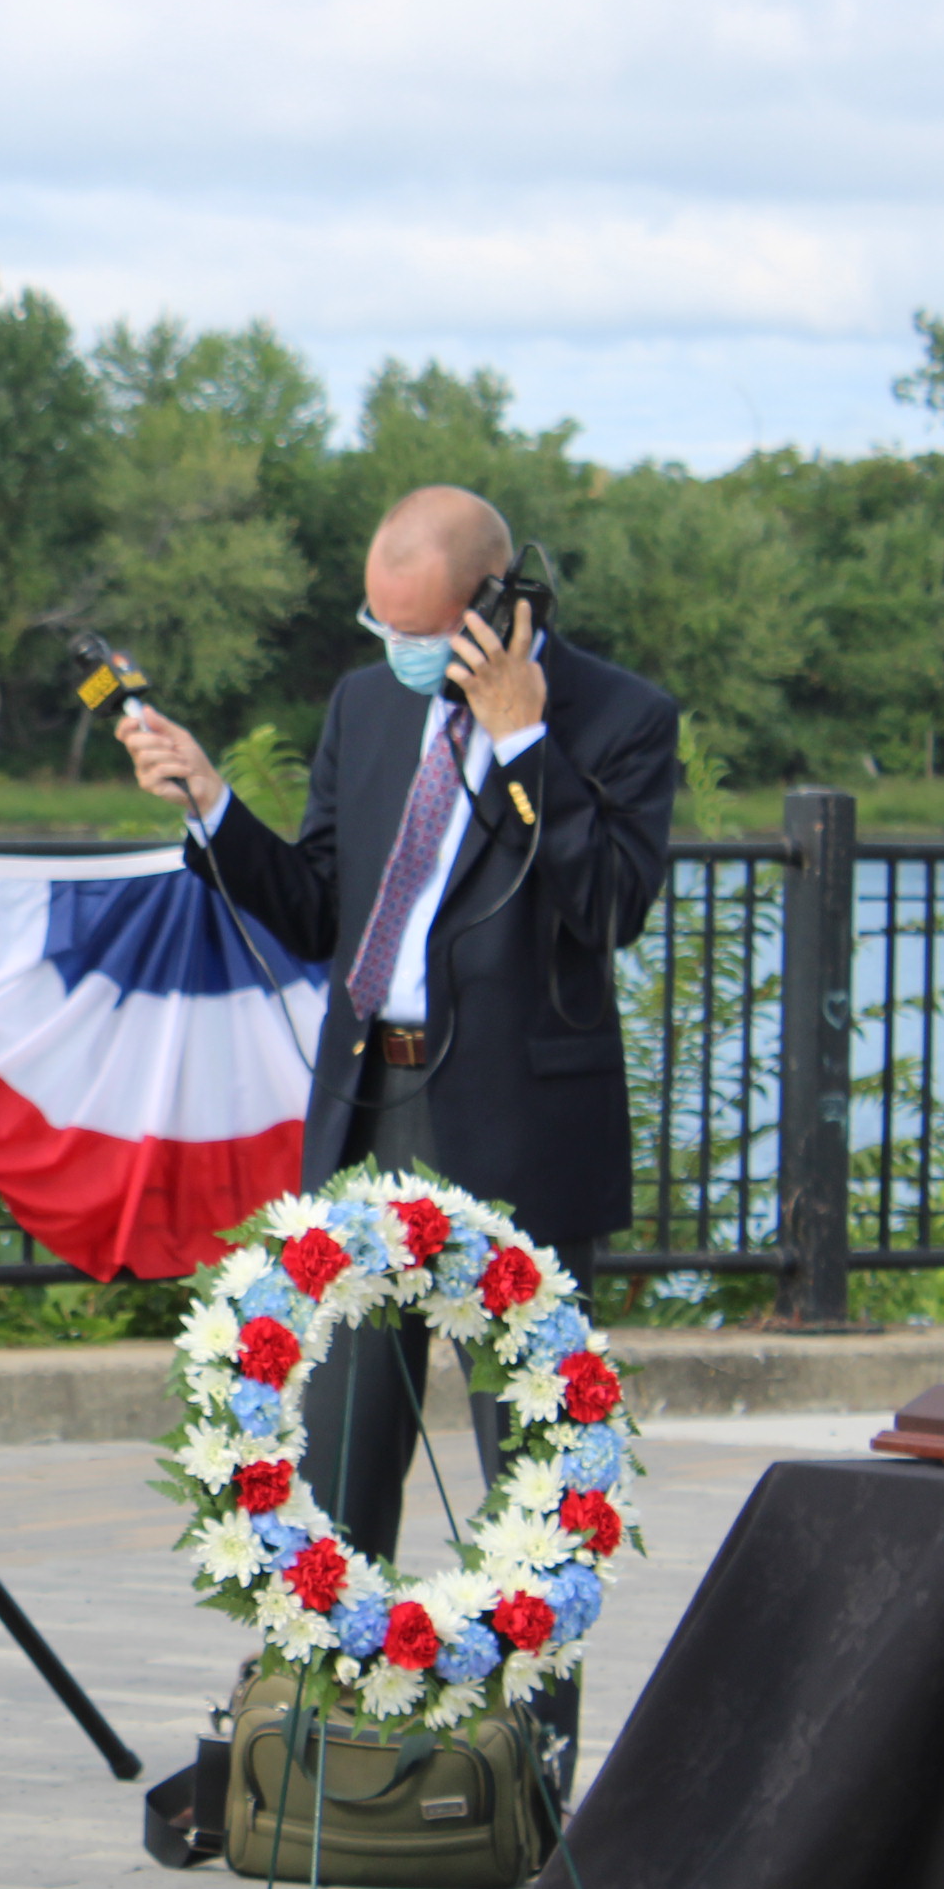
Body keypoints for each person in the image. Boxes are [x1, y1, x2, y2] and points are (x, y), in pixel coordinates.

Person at [120, 484, 676, 1792]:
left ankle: (522, 1773)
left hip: (521, 1137)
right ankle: (316, 1756)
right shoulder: (366, 704)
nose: (399, 649)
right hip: (376, 1108)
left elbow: (608, 910)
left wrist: (526, 747)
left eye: (421, 628)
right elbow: (319, 908)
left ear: (494, 605)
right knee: (339, 1461)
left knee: (530, 1474)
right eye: (380, 622)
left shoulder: (619, 717)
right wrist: (211, 803)